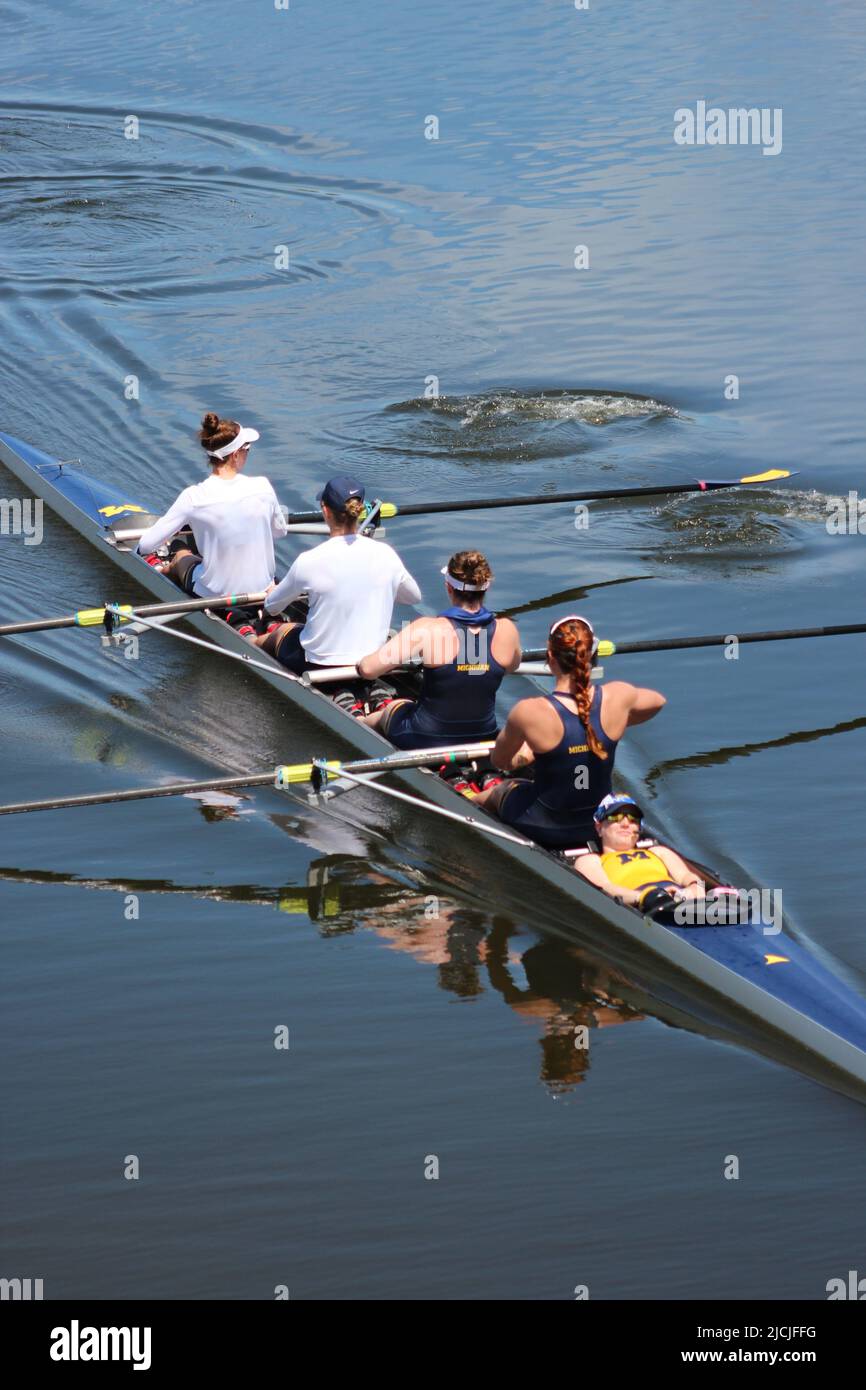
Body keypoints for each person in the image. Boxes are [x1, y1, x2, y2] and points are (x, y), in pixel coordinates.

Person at [473, 615, 666, 849]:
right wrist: (623, 720)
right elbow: (658, 701)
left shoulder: (529, 711)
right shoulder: (619, 696)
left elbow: (501, 761)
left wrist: (527, 754)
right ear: (592, 657)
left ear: (550, 657)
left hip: (546, 825)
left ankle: (465, 803)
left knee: (502, 789)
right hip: (599, 822)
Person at [258, 475, 421, 675]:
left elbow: (272, 607)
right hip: (371, 663)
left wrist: (272, 591)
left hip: (317, 664)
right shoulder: (387, 554)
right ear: (360, 511)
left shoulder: (309, 560)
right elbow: (414, 597)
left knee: (282, 631)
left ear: (325, 510)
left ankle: (248, 639)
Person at [356, 550, 521, 748]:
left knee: (394, 707)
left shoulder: (428, 628)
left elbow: (368, 670)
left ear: (448, 587)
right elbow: (512, 666)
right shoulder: (507, 630)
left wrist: (359, 662)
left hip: (425, 738)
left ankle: (357, 722)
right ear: (486, 587)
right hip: (484, 737)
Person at [136, 414, 287, 619]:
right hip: (264, 591)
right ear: (235, 454)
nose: (248, 454)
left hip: (216, 597)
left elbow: (145, 546)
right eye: (247, 450)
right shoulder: (263, 486)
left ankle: (163, 568)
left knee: (181, 552)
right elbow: (280, 531)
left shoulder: (194, 497)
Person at [573, 794, 705, 913]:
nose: (625, 824)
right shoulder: (590, 860)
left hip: (678, 896)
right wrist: (643, 897)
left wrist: (694, 887)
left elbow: (685, 876)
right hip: (639, 901)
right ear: (599, 828)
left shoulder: (659, 851)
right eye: (615, 817)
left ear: (639, 828)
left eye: (632, 819)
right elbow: (604, 888)